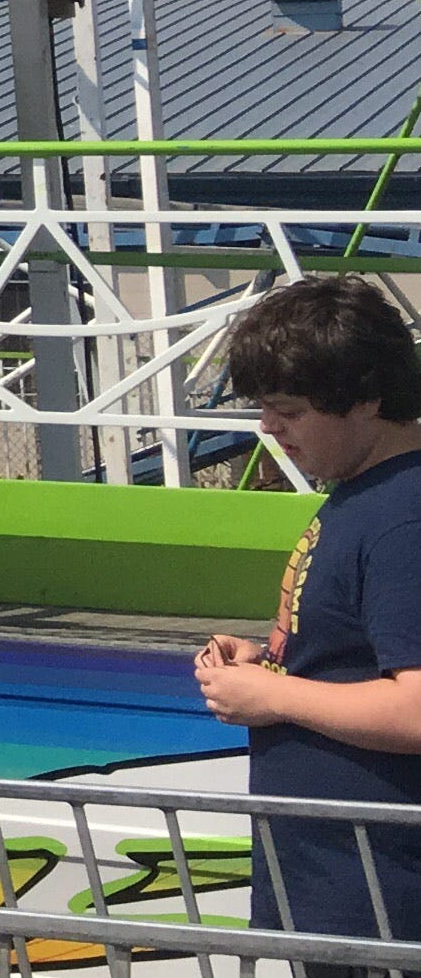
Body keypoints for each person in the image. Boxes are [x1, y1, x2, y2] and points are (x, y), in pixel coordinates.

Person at [195, 274, 421, 970]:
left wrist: (271, 696)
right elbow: (363, 653)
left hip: (382, 903)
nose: (268, 428)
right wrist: (273, 656)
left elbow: (415, 706)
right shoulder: (365, 496)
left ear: (367, 397)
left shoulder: (402, 516)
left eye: (287, 409)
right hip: (344, 891)